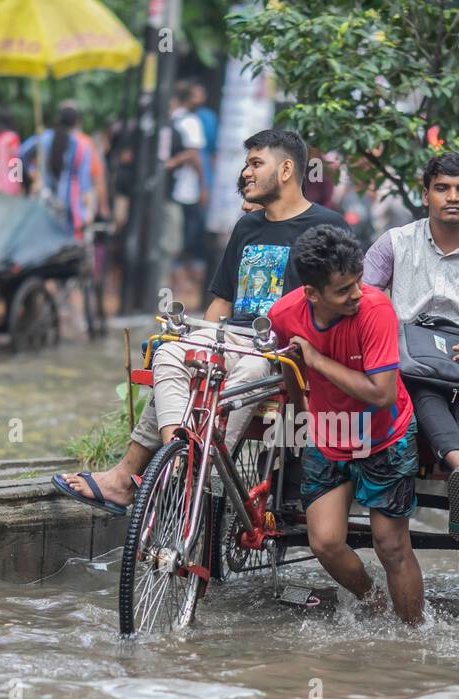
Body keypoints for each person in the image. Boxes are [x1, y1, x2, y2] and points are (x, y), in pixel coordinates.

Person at [56, 129, 350, 512]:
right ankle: (177, 456)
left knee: (250, 368)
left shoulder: (327, 227)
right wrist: (205, 344)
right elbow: (223, 299)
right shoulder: (248, 226)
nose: (246, 172)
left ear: (287, 170)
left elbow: (341, 303)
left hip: (285, 352)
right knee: (171, 353)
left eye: (256, 163)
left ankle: (197, 469)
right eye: (246, 164)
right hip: (233, 338)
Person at [268, 224, 425, 624]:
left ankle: (412, 637)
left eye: (358, 282)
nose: (357, 293)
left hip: (384, 435)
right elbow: (289, 366)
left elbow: (381, 393)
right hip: (329, 434)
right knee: (324, 542)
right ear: (312, 293)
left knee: (390, 545)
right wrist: (300, 411)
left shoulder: (375, 309)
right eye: (343, 290)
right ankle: (372, 600)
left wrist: (317, 362)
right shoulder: (283, 315)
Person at [361, 152, 459, 539]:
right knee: (424, 385)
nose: (452, 197)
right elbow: (363, 295)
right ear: (426, 193)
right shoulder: (396, 243)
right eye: (442, 189)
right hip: (411, 355)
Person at [20, 104, 95, 238]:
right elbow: (84, 186)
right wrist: (88, 212)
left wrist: (23, 178)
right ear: (77, 124)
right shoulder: (82, 147)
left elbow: (18, 155)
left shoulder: (43, 138)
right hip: (69, 211)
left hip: (42, 205)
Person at [168, 82, 208, 290]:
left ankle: (179, 281)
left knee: (180, 235)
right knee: (187, 236)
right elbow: (195, 155)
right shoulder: (190, 121)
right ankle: (183, 282)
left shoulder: (173, 120)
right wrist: (203, 186)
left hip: (174, 190)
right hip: (186, 190)